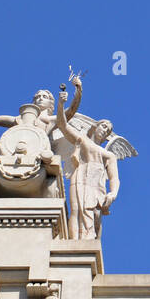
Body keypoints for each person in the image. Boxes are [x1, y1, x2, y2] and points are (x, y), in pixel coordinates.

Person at [55, 81, 120, 240]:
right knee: (77, 211)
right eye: (103, 126)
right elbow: (62, 125)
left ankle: (90, 241)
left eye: (108, 130)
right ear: (95, 126)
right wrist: (61, 104)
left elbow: (114, 178)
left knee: (95, 213)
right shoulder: (82, 140)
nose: (105, 130)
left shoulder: (108, 155)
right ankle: (75, 245)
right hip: (81, 175)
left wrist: (113, 193)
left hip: (97, 181)